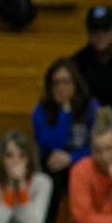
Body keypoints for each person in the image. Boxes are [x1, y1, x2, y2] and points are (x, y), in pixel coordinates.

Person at [32, 56, 96, 197]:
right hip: (52, 161)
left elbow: (99, 144)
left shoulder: (90, 107)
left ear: (75, 83)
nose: (61, 87)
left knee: (82, 170)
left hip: (83, 159)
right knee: (51, 171)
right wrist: (64, 113)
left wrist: (72, 157)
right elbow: (48, 144)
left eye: (66, 82)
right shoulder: (41, 110)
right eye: (56, 83)